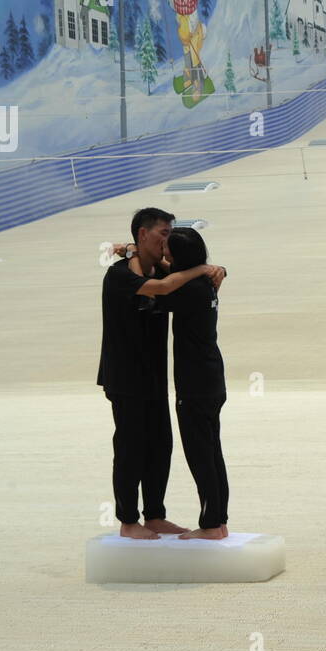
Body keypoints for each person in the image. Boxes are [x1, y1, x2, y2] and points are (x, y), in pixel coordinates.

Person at [99, 208, 222, 540]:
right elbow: (162, 287)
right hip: (125, 378)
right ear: (143, 234)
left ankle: (154, 515)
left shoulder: (165, 271)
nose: (168, 240)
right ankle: (128, 520)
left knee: (160, 445)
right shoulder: (120, 276)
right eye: (163, 233)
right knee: (130, 447)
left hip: (154, 377)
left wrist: (218, 269)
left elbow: (177, 278)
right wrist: (202, 267)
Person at [156, 227, 230, 541]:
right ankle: (218, 520)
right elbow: (171, 274)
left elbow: (156, 287)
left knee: (200, 454)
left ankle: (211, 525)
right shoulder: (205, 283)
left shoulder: (186, 290)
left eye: (168, 252)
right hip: (211, 379)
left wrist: (133, 256)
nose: (163, 256)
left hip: (195, 385)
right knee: (212, 452)